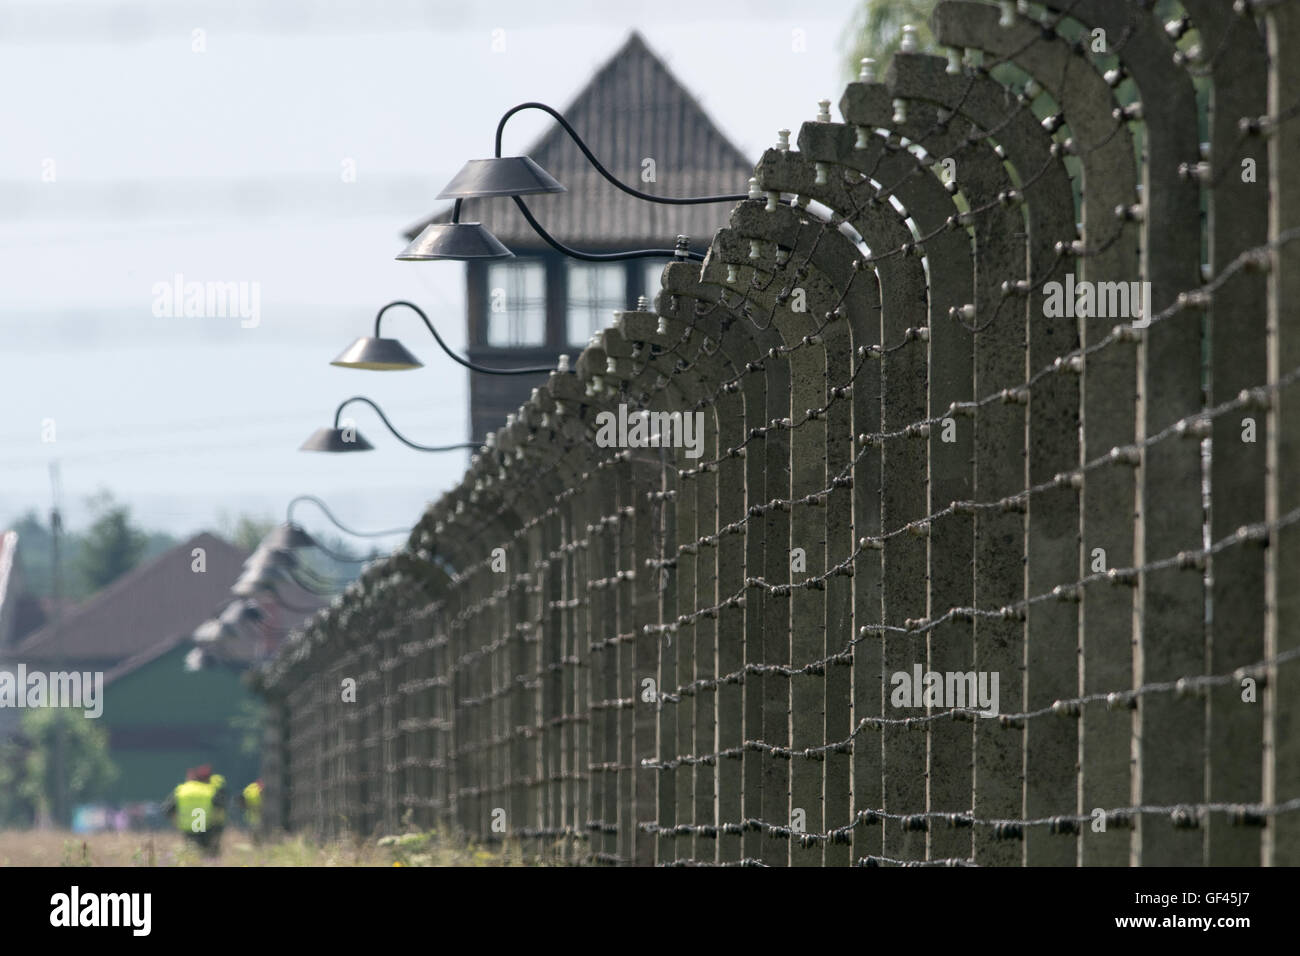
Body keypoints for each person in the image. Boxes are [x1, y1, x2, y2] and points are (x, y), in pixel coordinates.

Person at [162, 767, 220, 857]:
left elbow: (167, 810)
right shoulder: (208, 790)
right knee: (208, 855)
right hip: (205, 827)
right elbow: (219, 808)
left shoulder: (181, 790)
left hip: (187, 828)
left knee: (191, 854)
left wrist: (177, 823)